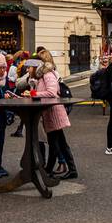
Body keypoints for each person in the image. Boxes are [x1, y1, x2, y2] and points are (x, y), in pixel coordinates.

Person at [34, 48, 77, 180]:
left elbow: (52, 93)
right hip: (50, 112)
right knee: (60, 143)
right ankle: (70, 169)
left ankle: (50, 170)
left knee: (55, 143)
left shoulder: (48, 75)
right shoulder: (42, 75)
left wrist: (35, 94)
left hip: (54, 112)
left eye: (37, 62)